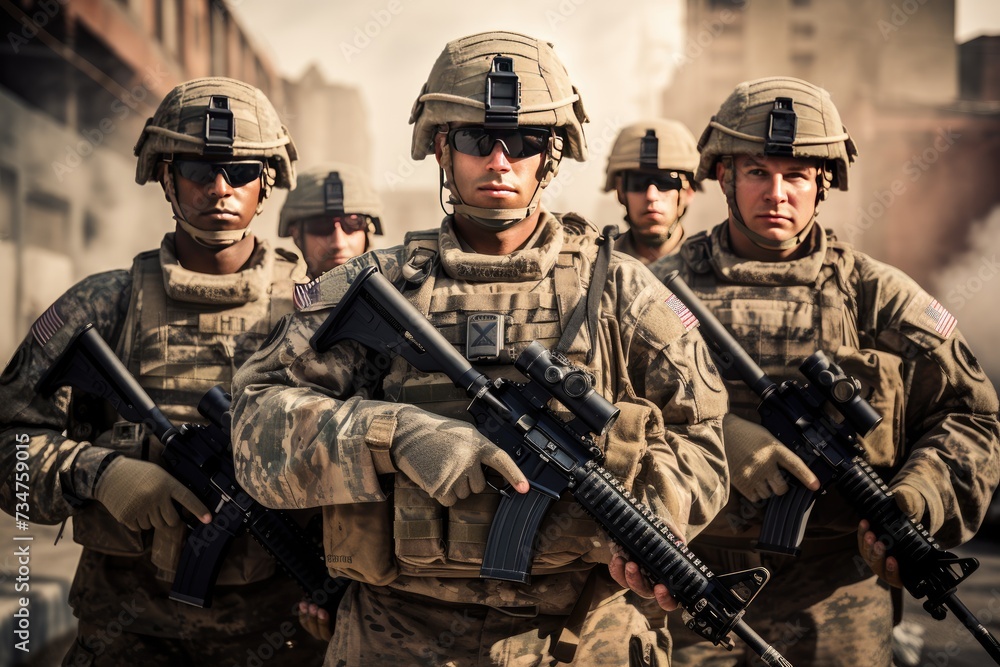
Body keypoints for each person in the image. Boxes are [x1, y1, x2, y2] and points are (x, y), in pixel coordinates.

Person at [230, 31, 729, 666]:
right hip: (397, 632)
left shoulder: (623, 290)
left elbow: (704, 436)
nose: (499, 160)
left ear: (550, 156)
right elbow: (253, 428)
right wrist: (394, 434)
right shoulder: (369, 287)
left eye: (521, 142)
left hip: (580, 633)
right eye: (475, 139)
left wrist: (655, 517)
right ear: (442, 147)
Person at [648, 76, 1000, 666]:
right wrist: (720, 439)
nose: (777, 193)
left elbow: (968, 415)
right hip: (689, 581)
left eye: (797, 175)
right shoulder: (660, 293)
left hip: (839, 590)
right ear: (723, 177)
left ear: (823, 183)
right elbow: (600, 415)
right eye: (757, 172)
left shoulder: (876, 295)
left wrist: (921, 496)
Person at [0, 77, 328, 665]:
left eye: (242, 171)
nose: (220, 190)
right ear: (167, 178)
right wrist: (98, 473)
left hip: (285, 637)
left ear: (268, 181)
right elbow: (7, 448)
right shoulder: (101, 305)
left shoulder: (315, 311)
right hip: (128, 635)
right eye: (199, 171)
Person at [604, 119, 700, 263]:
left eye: (665, 182)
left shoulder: (714, 268)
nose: (651, 195)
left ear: (688, 192)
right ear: (620, 192)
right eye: (637, 183)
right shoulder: (595, 268)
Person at [279, 162, 385, 280]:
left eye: (352, 223)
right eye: (321, 225)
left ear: (368, 231)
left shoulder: (397, 291)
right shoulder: (276, 294)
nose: (339, 244)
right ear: (296, 234)